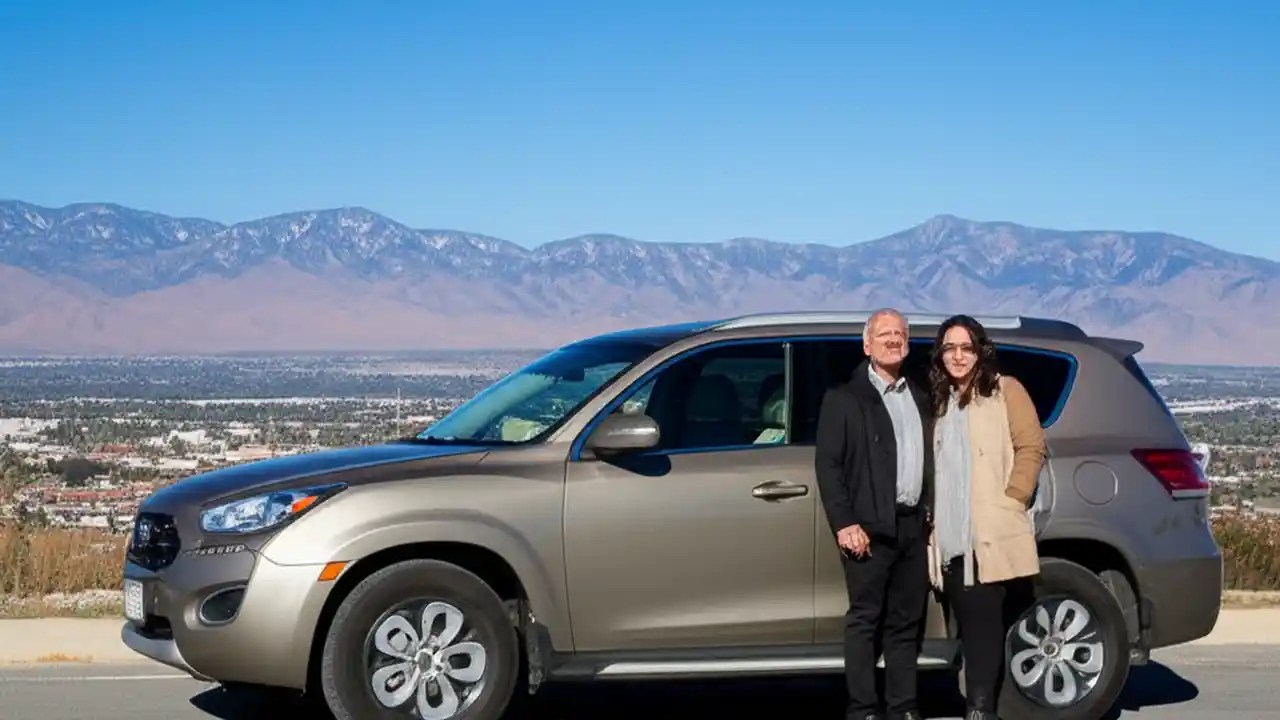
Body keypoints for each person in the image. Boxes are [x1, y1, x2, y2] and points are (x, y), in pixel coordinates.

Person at [815, 308, 934, 720]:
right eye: (884, 334)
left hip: (913, 525)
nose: (893, 340)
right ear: (867, 344)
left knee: (905, 623)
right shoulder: (845, 399)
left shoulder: (920, 395)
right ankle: (863, 709)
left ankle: (903, 708)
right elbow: (829, 466)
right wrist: (845, 522)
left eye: (900, 334)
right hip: (867, 528)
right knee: (865, 620)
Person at [926, 314, 1046, 720]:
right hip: (951, 537)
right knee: (972, 625)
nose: (958, 356)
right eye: (950, 348)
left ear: (980, 351)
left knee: (983, 627)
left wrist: (1013, 498)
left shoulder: (1004, 391)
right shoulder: (939, 399)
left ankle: (980, 709)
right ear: (940, 353)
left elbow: (1031, 446)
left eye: (966, 348)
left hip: (988, 533)